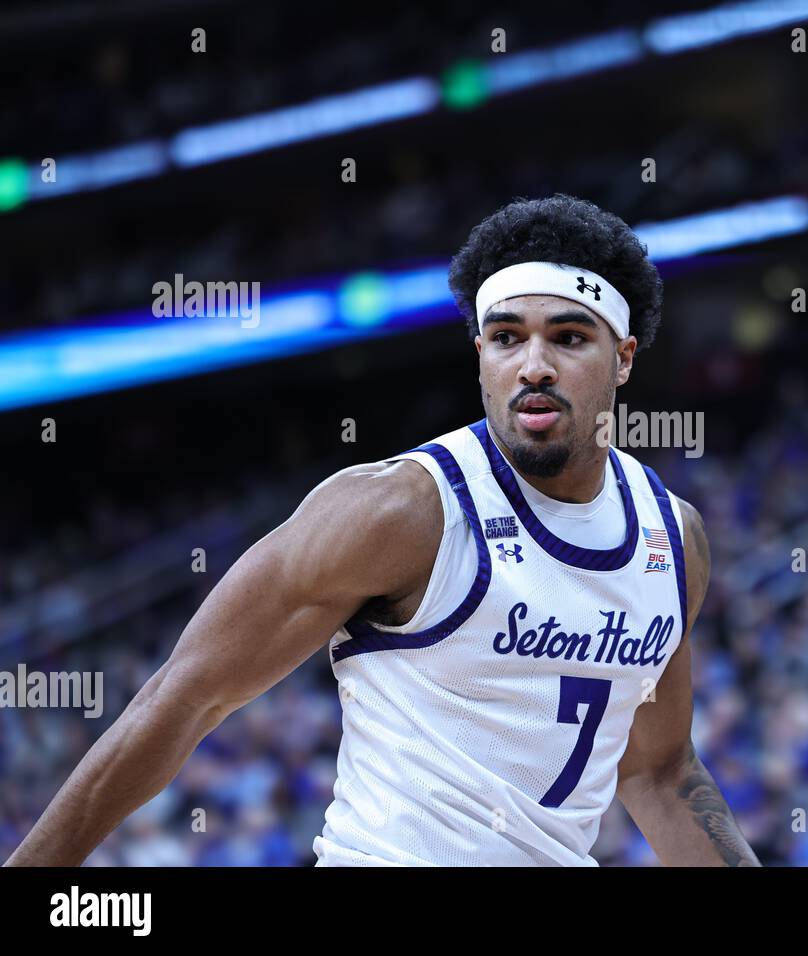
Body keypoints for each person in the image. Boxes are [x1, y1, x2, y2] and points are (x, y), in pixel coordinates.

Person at [5, 194, 758, 867]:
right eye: (505, 338)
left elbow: (656, 772)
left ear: (622, 359)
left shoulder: (671, 539)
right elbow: (184, 699)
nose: (534, 365)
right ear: (479, 355)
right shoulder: (401, 511)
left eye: (568, 337)